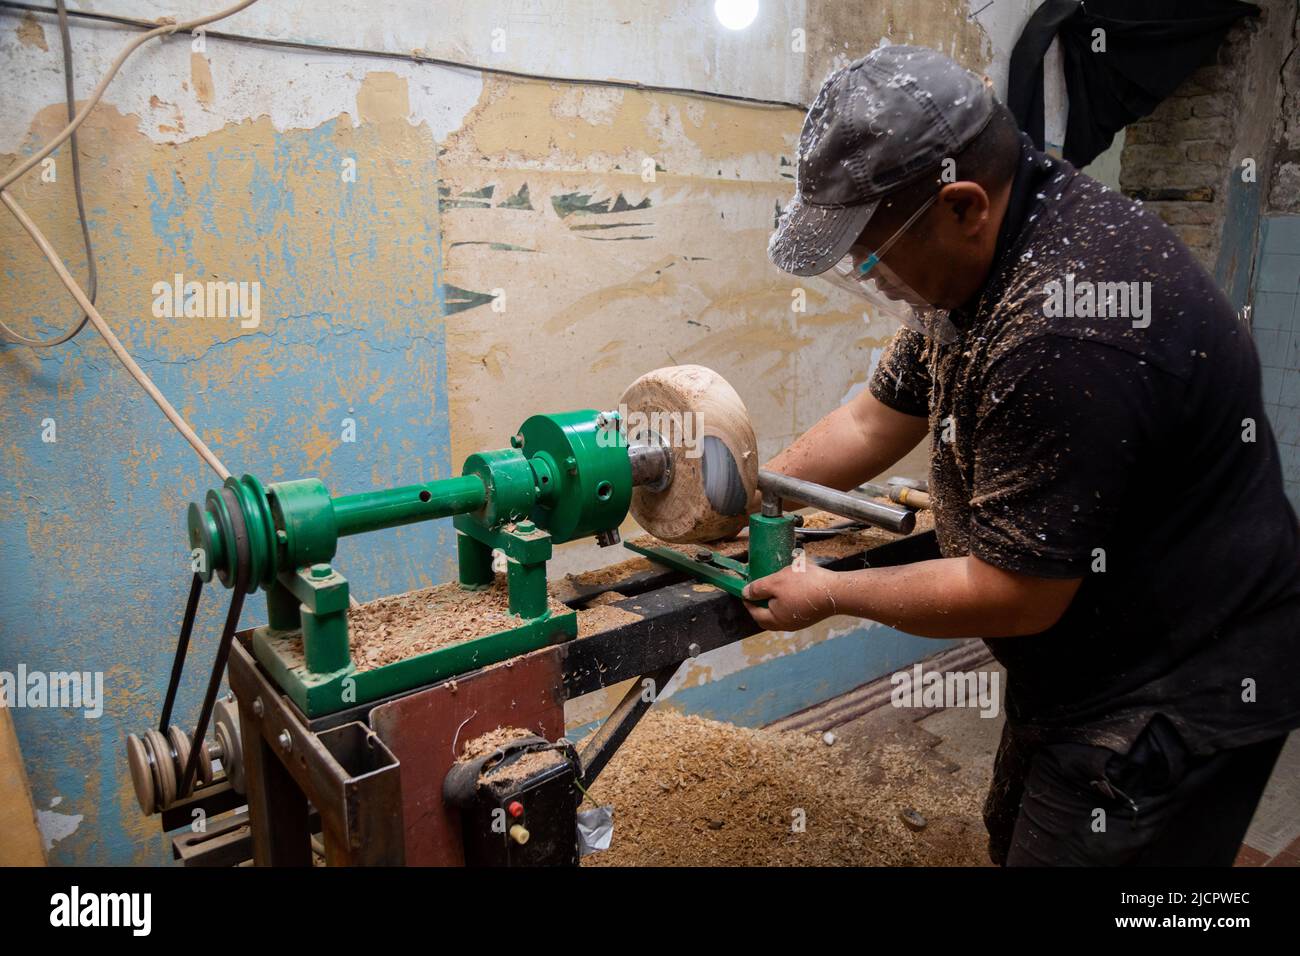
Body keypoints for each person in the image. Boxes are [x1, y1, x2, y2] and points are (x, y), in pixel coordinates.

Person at [749, 44, 1300, 866]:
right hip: (1085, 655)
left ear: (962, 206)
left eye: (872, 255)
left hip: (1181, 680)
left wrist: (831, 593)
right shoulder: (977, 267)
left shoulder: (1067, 326)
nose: (875, 277)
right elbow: (873, 421)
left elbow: (1016, 595)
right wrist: (757, 494)